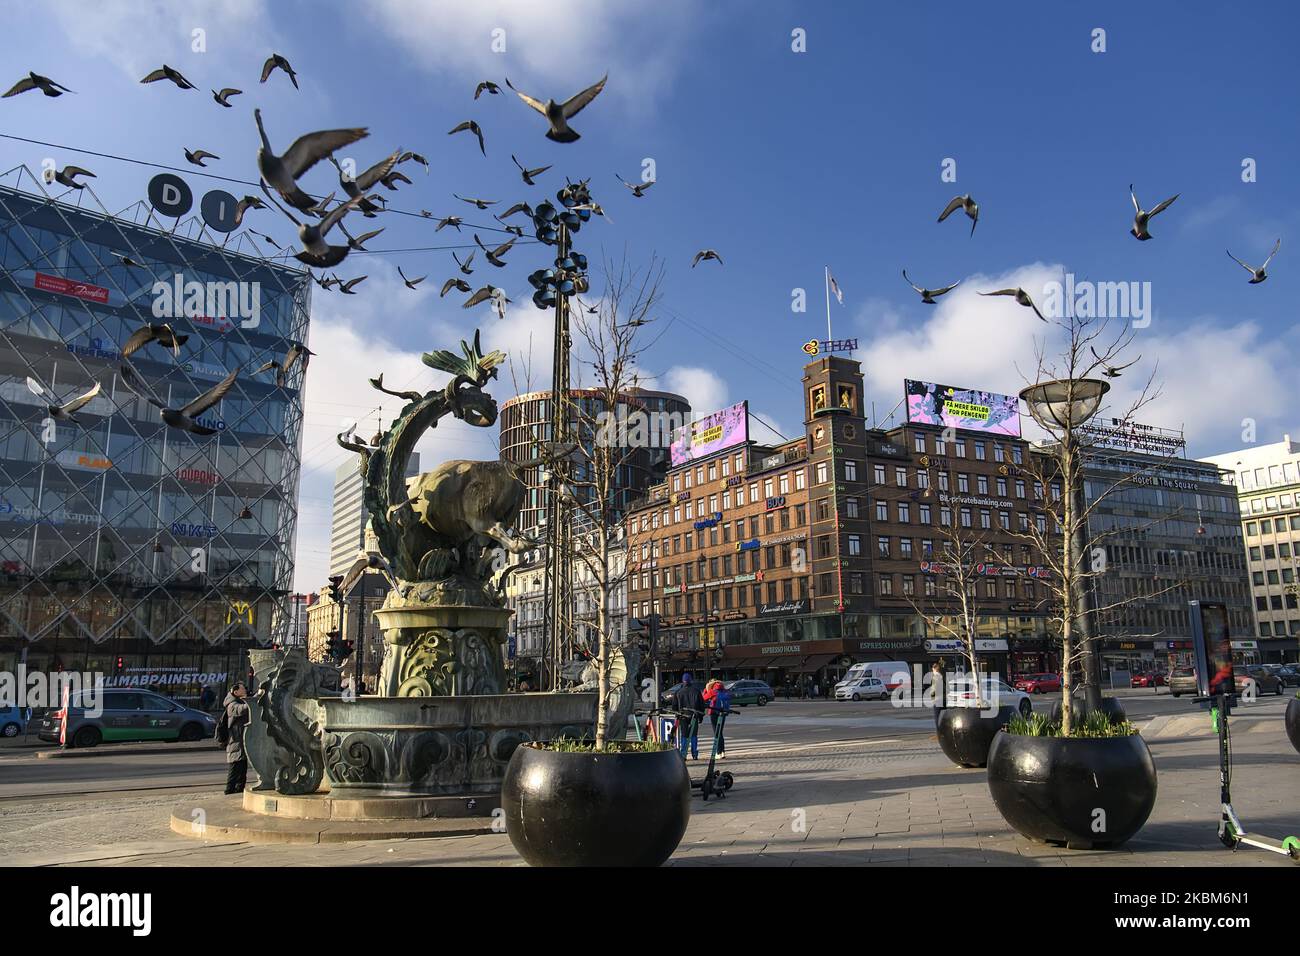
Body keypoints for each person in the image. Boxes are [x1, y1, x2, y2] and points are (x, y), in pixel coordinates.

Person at [222, 682, 254, 795]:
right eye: (242, 689)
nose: (245, 690)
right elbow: (241, 709)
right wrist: (253, 700)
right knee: (235, 767)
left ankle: (239, 790)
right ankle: (229, 790)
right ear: (235, 692)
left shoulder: (238, 701)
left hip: (240, 739)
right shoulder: (231, 704)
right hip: (235, 740)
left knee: (242, 767)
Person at [670, 672, 706, 760]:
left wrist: (677, 716)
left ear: (683, 681)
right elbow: (702, 706)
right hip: (694, 715)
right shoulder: (696, 691)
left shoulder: (678, 692)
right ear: (691, 681)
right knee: (693, 735)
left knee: (684, 735)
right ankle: (694, 754)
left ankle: (683, 754)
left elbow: (674, 706)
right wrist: (700, 717)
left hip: (683, 716)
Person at [702, 679, 731, 759]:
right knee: (720, 732)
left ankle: (718, 752)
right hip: (723, 713)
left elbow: (703, 698)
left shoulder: (712, 692)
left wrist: (706, 689)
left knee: (716, 733)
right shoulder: (725, 692)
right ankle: (722, 752)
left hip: (714, 714)